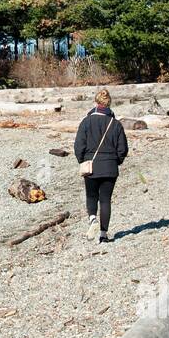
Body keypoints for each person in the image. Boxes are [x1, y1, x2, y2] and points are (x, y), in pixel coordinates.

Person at [73, 88, 129, 243]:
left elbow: (78, 146)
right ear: (109, 104)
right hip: (110, 166)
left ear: (95, 103)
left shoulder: (86, 122)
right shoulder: (116, 124)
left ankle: (93, 219)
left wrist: (82, 160)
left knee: (91, 196)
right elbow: (123, 149)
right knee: (105, 200)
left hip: (90, 165)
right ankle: (103, 235)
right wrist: (116, 161)